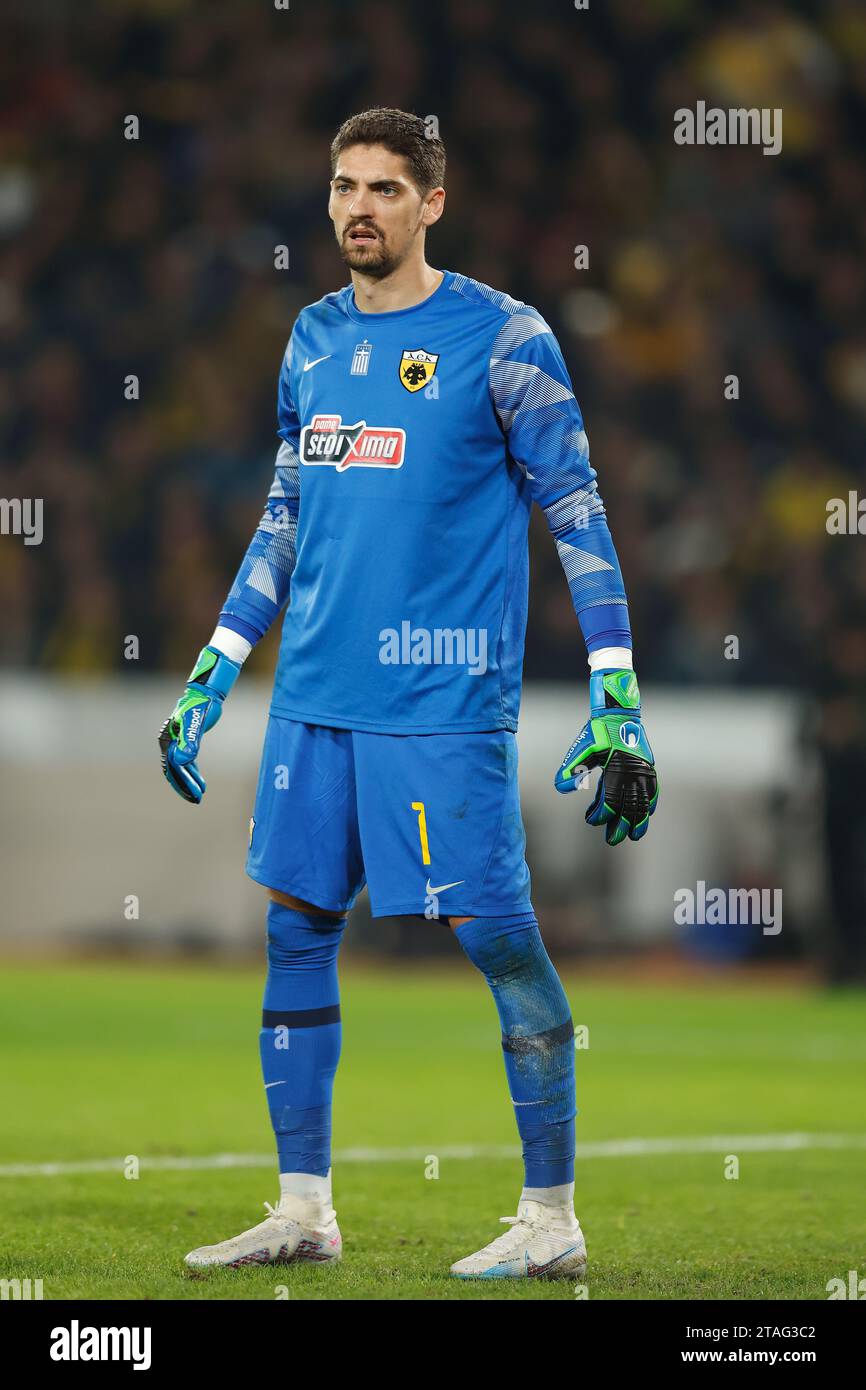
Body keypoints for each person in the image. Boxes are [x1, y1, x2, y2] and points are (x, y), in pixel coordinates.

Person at [159, 107, 658, 1281]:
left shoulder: (505, 337)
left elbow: (577, 514)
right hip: (313, 701)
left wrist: (615, 694)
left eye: (385, 188)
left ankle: (551, 1217)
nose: (358, 208)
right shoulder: (311, 338)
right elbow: (284, 520)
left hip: (439, 700)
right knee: (295, 930)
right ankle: (303, 1208)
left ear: (433, 203)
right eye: (343, 186)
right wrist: (213, 668)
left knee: (495, 937)